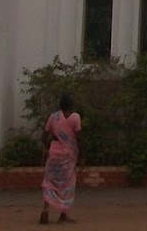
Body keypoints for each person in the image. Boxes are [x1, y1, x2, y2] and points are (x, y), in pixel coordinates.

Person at [39, 94, 81, 224]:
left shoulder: (53, 117)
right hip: (68, 155)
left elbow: (43, 137)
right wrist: (82, 156)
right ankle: (63, 214)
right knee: (67, 184)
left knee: (49, 181)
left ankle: (46, 209)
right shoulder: (75, 117)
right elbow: (79, 138)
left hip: (54, 153)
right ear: (72, 105)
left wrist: (51, 147)